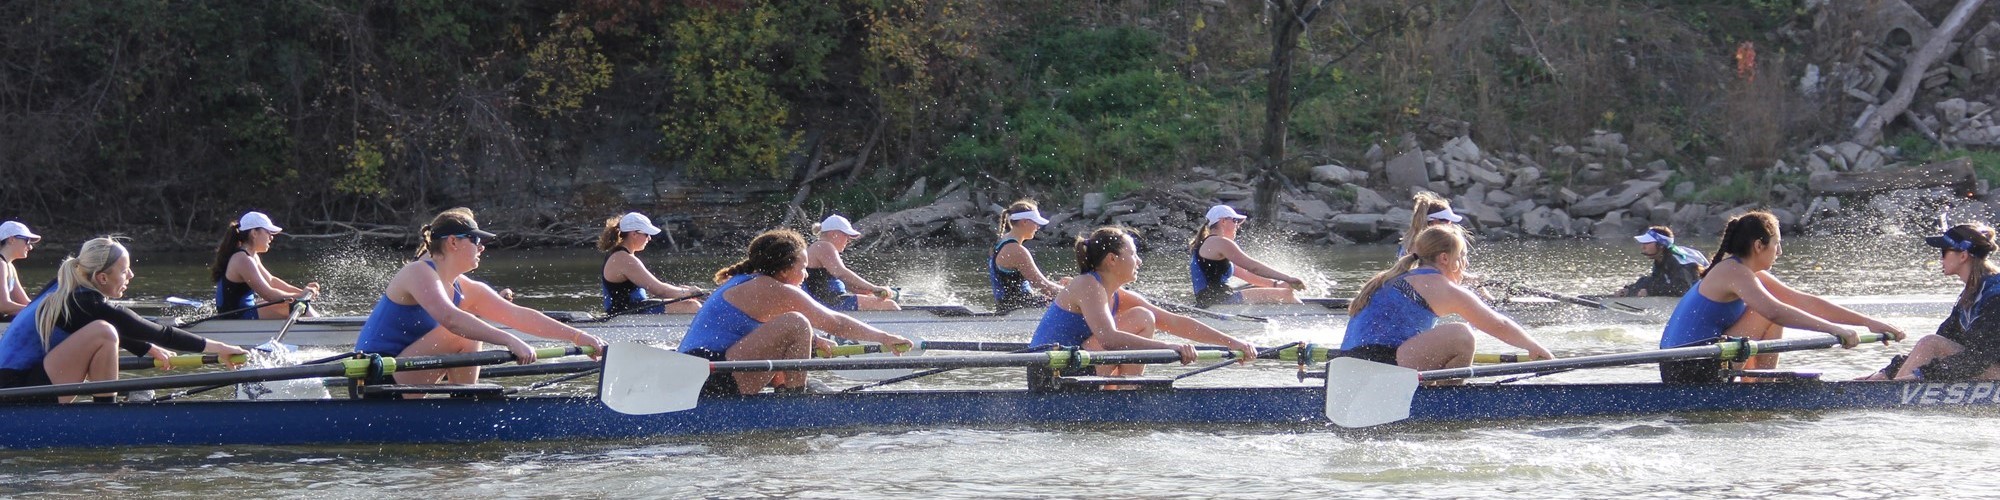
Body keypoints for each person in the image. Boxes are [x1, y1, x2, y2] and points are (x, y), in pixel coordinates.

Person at [354, 208, 605, 388]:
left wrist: (578, 336)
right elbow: (451, 320)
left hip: (406, 376)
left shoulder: (464, 287)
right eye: (475, 240)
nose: (482, 247)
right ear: (453, 242)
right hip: (376, 378)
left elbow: (519, 315)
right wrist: (509, 340)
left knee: (469, 326)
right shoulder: (417, 272)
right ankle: (465, 404)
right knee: (462, 328)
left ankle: (464, 401)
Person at [1657, 211, 1904, 384]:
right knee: (1770, 314)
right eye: (1777, 244)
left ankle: (1757, 384)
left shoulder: (1748, 273)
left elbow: (1804, 301)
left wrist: (1866, 322)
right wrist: (1834, 330)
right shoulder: (1733, 272)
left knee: (1775, 309)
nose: (1781, 252)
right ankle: (1760, 388)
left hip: (1698, 360)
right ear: (1758, 246)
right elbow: (1776, 311)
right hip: (1686, 366)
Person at [0, 238, 248, 402]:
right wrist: (221, 348)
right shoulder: (86, 302)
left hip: (17, 385)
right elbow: (160, 332)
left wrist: (146, 349)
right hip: (17, 392)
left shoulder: (65, 286)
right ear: (102, 278)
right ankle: (106, 417)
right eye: (123, 269)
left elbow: (133, 333)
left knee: (105, 331)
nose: (131, 274)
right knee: (104, 332)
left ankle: (105, 407)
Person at [679, 229, 914, 395]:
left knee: (798, 328)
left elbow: (754, 333)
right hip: (712, 377)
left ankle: (787, 390)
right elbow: (835, 323)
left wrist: (812, 339)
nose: (807, 274)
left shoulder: (745, 281)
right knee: (797, 322)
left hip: (695, 376)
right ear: (783, 271)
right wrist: (885, 337)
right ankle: (795, 400)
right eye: (803, 267)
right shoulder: (773, 289)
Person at [1030, 227, 1261, 377]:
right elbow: (1108, 339)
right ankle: (1120, 392)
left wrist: (1232, 343)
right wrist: (1172, 348)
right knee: (1142, 317)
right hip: (1050, 375)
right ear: (1112, 260)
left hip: (1076, 365)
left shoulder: (1117, 293)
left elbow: (1176, 322)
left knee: (1144, 316)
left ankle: (1127, 389)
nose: (1139, 261)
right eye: (1133, 254)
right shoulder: (1087, 285)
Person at [1342, 225, 1554, 374]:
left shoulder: (1394, 278)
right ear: (1445, 258)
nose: (1466, 263)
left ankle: (1432, 388)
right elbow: (1498, 324)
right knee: (1461, 335)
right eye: (1462, 255)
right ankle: (1446, 398)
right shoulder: (1441, 287)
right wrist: (1534, 347)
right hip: (1380, 367)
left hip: (1347, 365)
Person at [1861, 224, 2000, 381]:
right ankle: (1885, 388)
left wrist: (1922, 376)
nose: (1940, 258)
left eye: (1944, 251)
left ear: (1963, 256)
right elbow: (1945, 341)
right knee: (1930, 344)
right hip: (1981, 365)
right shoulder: (1972, 293)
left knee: (1931, 343)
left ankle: (1889, 397)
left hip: (1987, 366)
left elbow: (1980, 358)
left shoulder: (1995, 296)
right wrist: (1887, 374)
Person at [1189, 205, 1305, 307]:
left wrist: (1276, 285)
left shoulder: (1207, 243)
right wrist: (1287, 278)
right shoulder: (1220, 242)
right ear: (1223, 221)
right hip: (1219, 302)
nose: (1237, 226)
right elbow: (1254, 267)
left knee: (1269, 289)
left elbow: (1246, 274)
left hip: (1208, 301)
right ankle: (1311, 319)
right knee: (1286, 294)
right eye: (1235, 221)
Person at [211, 211, 319, 320]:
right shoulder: (243, 260)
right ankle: (323, 330)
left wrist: (301, 292)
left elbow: (271, 281)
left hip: (243, 310)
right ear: (254, 233)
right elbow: (268, 294)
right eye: (268, 232)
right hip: (234, 317)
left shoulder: (252, 256)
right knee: (299, 306)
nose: (271, 237)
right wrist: (299, 297)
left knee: (299, 303)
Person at [597, 212, 704, 314]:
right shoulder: (624, 259)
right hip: (623, 315)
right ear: (634, 234)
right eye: (646, 234)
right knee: (692, 306)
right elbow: (660, 290)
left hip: (632, 310)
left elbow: (657, 289)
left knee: (683, 301)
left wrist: (682, 291)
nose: (649, 238)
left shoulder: (622, 255)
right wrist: (690, 293)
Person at [802, 214, 899, 311]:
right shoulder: (823, 245)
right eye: (846, 235)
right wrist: (874, 288)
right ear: (833, 234)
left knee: (876, 301)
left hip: (830, 301)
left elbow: (840, 281)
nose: (848, 240)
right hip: (828, 304)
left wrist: (868, 290)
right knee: (891, 305)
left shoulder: (819, 247)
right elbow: (841, 273)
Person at [990, 200, 1064, 313]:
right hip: (1018, 310)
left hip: (1007, 306)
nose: (1037, 227)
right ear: (1024, 222)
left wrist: (1061, 286)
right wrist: (1073, 292)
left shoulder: (1001, 242)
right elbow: (1043, 286)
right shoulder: (1017, 251)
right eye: (1035, 223)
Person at [1613, 226, 1710, 297]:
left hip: (1701, 298)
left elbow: (1682, 289)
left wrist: (1650, 291)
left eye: (1647, 243)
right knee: (1645, 281)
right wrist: (1628, 290)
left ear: (1661, 245)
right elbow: (1653, 281)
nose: (1643, 246)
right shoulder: (1661, 258)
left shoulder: (1678, 263)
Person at [1398, 192, 1461, 257]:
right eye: (1447, 221)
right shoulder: (1430, 247)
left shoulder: (1407, 242)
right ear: (1433, 223)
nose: (1450, 225)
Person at [0, 221, 40, 321]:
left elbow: (26, 303)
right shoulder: (1, 264)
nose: (30, 247)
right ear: (11, 239)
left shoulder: (10, 266)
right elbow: (3, 306)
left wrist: (47, 307)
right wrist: (40, 310)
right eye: (27, 241)